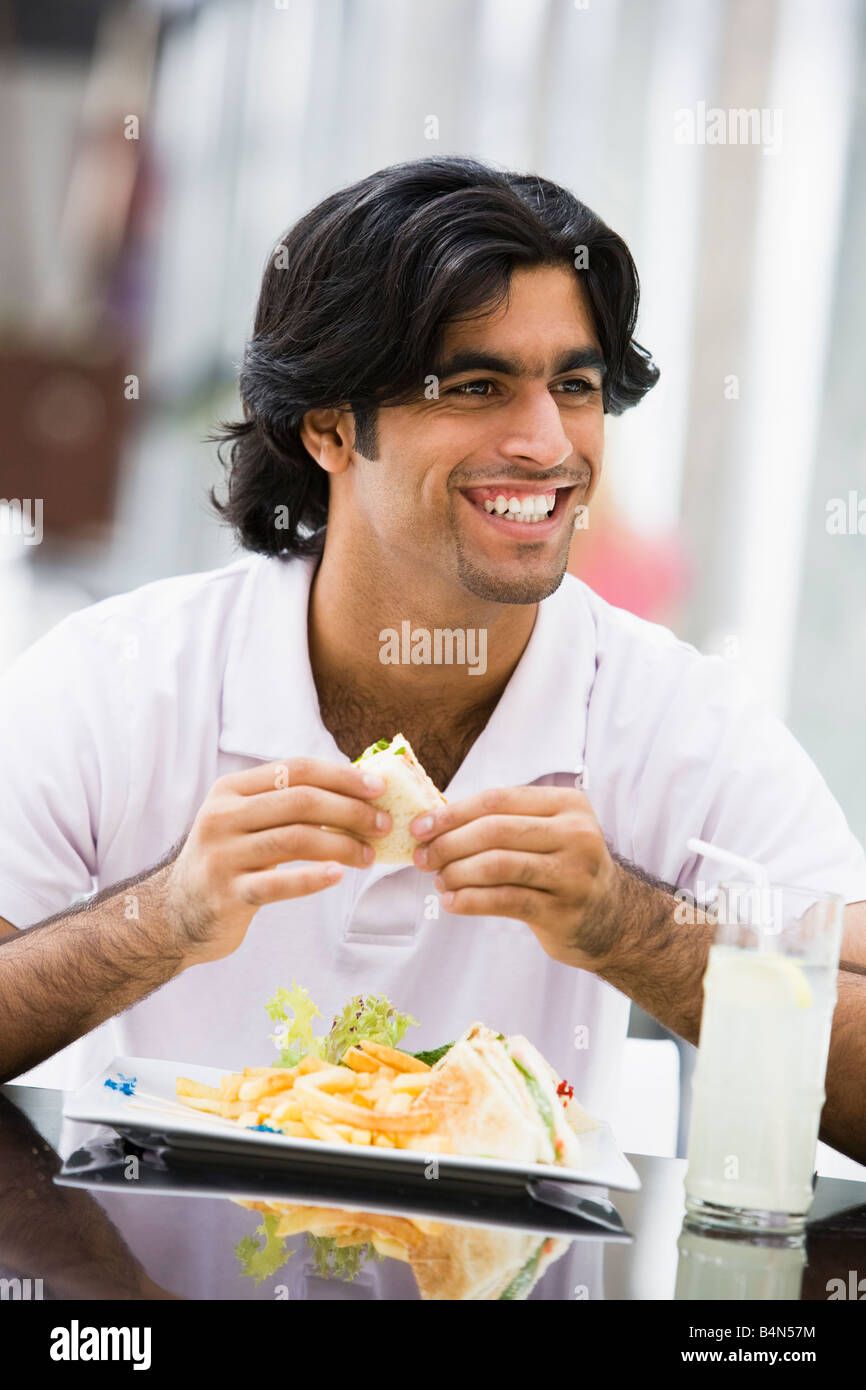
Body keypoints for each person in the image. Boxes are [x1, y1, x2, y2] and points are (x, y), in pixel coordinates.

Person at [0, 157, 864, 1162]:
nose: (546, 444)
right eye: (476, 385)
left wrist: (627, 926)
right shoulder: (118, 679)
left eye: (574, 386)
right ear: (326, 425)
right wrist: (167, 914)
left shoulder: (678, 719)